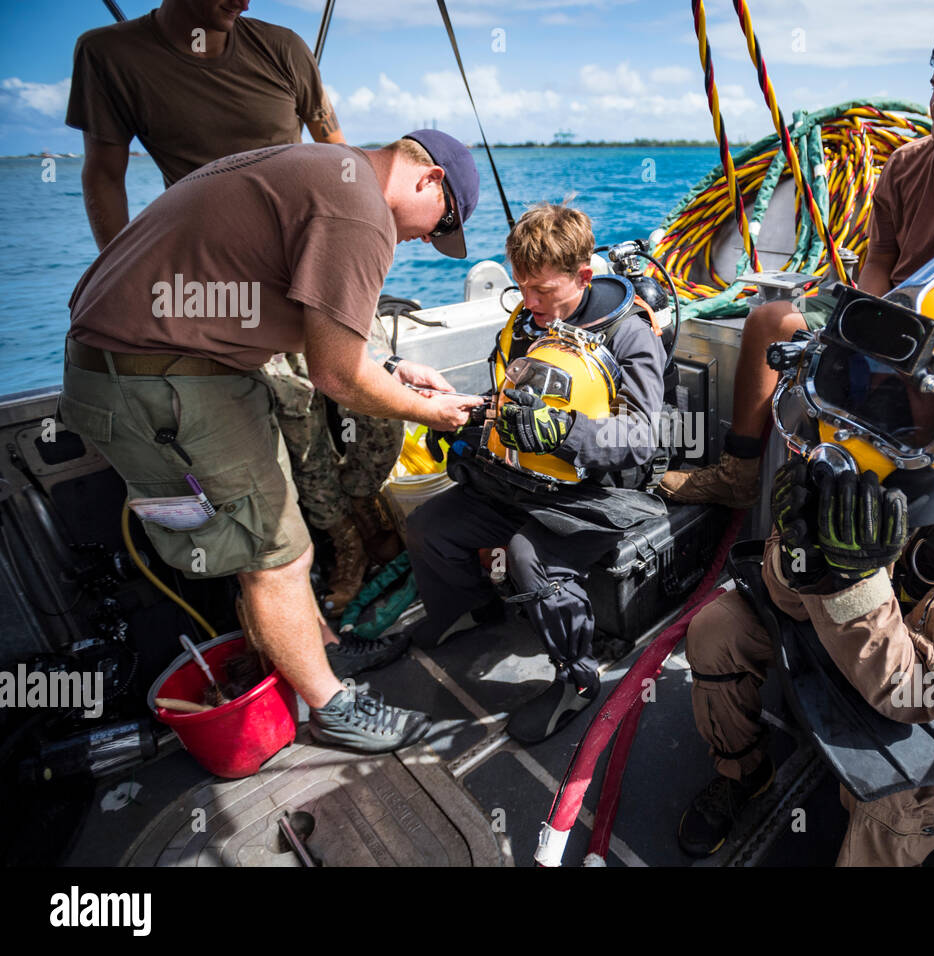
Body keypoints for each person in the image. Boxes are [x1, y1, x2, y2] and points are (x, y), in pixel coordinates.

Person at [59, 130, 484, 753]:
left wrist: (392, 370)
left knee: (277, 533)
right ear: (430, 179)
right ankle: (331, 709)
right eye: (439, 224)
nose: (423, 240)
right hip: (160, 379)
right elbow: (337, 376)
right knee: (275, 554)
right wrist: (433, 414)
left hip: (177, 365)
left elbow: (304, 324)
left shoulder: (323, 169)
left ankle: (327, 651)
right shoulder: (358, 210)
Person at [676, 251, 934, 864]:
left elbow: (913, 693)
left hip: (916, 681)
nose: (864, 422)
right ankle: (743, 773)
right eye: (865, 382)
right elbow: (783, 593)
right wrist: (808, 549)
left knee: (891, 812)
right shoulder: (845, 443)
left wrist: (851, 578)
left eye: (907, 399)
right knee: (715, 629)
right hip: (842, 625)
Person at [65, 0, 404, 617]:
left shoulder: (282, 47)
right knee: (303, 440)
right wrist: (126, 283)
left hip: (324, 262)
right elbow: (103, 176)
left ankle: (368, 505)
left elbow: (340, 153)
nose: (244, 2)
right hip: (230, 296)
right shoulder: (110, 55)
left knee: (382, 415)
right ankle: (347, 545)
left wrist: (362, 258)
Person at [660, 12, 934, 510]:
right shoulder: (907, 162)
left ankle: (896, 512)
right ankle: (739, 474)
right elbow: (879, 260)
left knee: (918, 390)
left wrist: (891, 353)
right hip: (889, 313)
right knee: (769, 319)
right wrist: (859, 335)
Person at [404, 204, 668, 744]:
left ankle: (577, 678)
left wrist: (565, 433)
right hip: (519, 477)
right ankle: (467, 610)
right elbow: (507, 395)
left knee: (532, 558)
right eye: (521, 288)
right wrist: (464, 411)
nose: (530, 303)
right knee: (430, 527)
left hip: (594, 492)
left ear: (584, 277)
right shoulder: (527, 322)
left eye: (543, 291)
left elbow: (642, 439)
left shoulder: (629, 335)